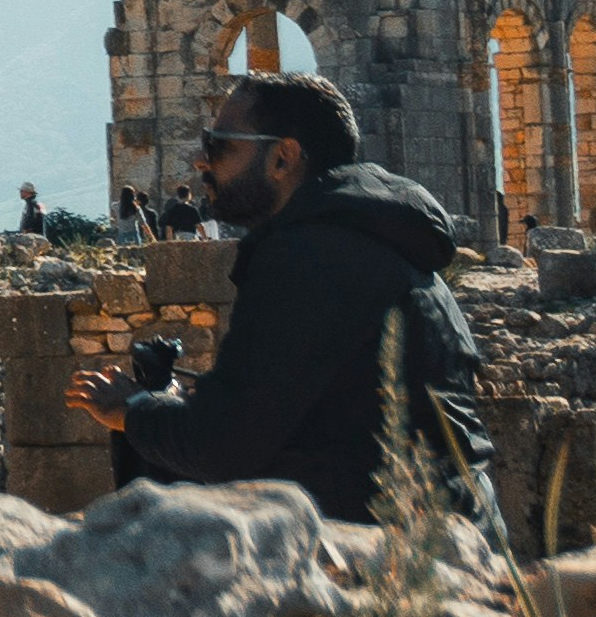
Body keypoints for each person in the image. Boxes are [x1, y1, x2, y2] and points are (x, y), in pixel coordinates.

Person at [68, 73, 488, 520]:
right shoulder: (378, 240)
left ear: (283, 158)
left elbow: (222, 446)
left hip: (380, 556)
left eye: (218, 146)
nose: (200, 162)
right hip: (454, 534)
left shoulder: (309, 257)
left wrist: (131, 409)